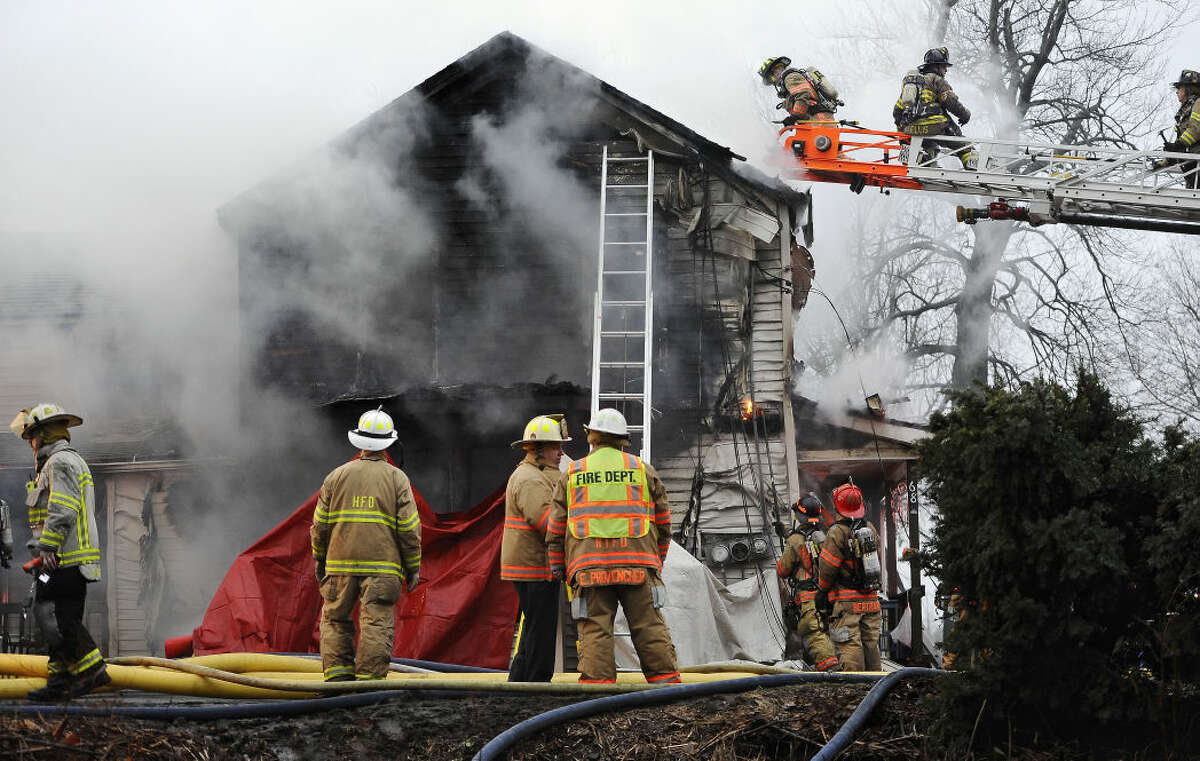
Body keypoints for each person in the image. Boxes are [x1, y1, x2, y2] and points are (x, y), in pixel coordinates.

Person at [545, 408, 679, 684]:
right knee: (649, 627)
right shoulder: (641, 469)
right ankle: (667, 690)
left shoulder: (573, 472)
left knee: (595, 631)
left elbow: (557, 526)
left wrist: (558, 565)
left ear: (591, 436)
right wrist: (657, 562)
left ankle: (597, 694)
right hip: (638, 566)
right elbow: (664, 524)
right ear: (623, 440)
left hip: (589, 569)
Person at [311, 406, 421, 682]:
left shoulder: (336, 477)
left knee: (336, 620)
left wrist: (320, 560)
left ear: (359, 440)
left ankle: (337, 681)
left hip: (339, 565)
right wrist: (413, 567)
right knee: (376, 623)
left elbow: (319, 526)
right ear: (388, 442)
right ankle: (369, 686)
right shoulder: (397, 479)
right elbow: (409, 529)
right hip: (383, 569)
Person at [9, 404, 109, 700]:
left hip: (64, 560)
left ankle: (93, 671)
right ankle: (59, 682)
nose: (31, 443)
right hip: (56, 561)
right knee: (51, 619)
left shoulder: (60, 463)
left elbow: (62, 510)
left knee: (59, 619)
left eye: (32, 436)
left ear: (43, 434)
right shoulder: (59, 463)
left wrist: (48, 546)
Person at [501, 414, 569, 682]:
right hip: (533, 567)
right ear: (537, 449)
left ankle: (520, 682)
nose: (560, 452)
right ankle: (538, 683)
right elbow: (548, 523)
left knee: (534, 626)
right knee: (541, 629)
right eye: (555, 447)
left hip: (535, 565)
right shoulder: (530, 479)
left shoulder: (539, 474)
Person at [816, 479, 884, 671]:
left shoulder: (837, 532)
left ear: (838, 506)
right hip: (871, 599)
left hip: (847, 602)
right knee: (871, 644)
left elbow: (828, 567)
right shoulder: (869, 528)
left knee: (849, 645)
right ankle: (876, 687)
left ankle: (856, 690)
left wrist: (822, 591)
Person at [776, 493, 840, 672]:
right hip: (827, 593)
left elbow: (783, 569)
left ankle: (832, 673)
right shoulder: (824, 534)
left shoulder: (796, 539)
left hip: (808, 596)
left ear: (799, 516)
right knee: (826, 629)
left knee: (813, 632)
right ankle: (838, 665)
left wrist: (786, 546)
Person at [893, 47, 976, 169]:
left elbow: (897, 110)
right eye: (944, 66)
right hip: (935, 127)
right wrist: (965, 115)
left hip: (911, 130)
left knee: (929, 145)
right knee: (963, 144)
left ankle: (923, 160)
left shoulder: (911, 85)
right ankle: (973, 165)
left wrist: (902, 132)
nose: (946, 70)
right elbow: (951, 102)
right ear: (936, 66)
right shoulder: (937, 80)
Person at [758, 55, 841, 125]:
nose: (773, 80)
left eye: (771, 76)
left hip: (817, 122)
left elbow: (803, 94)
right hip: (820, 122)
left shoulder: (790, 77)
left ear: (776, 71)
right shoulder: (792, 78)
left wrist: (793, 117)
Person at [1163, 70, 1200, 188]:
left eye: (1180, 88)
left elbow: (1195, 129)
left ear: (1189, 89)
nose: (1177, 92)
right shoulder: (1185, 111)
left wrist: (1179, 145)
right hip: (1192, 164)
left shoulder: (1198, 103)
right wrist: (1167, 160)